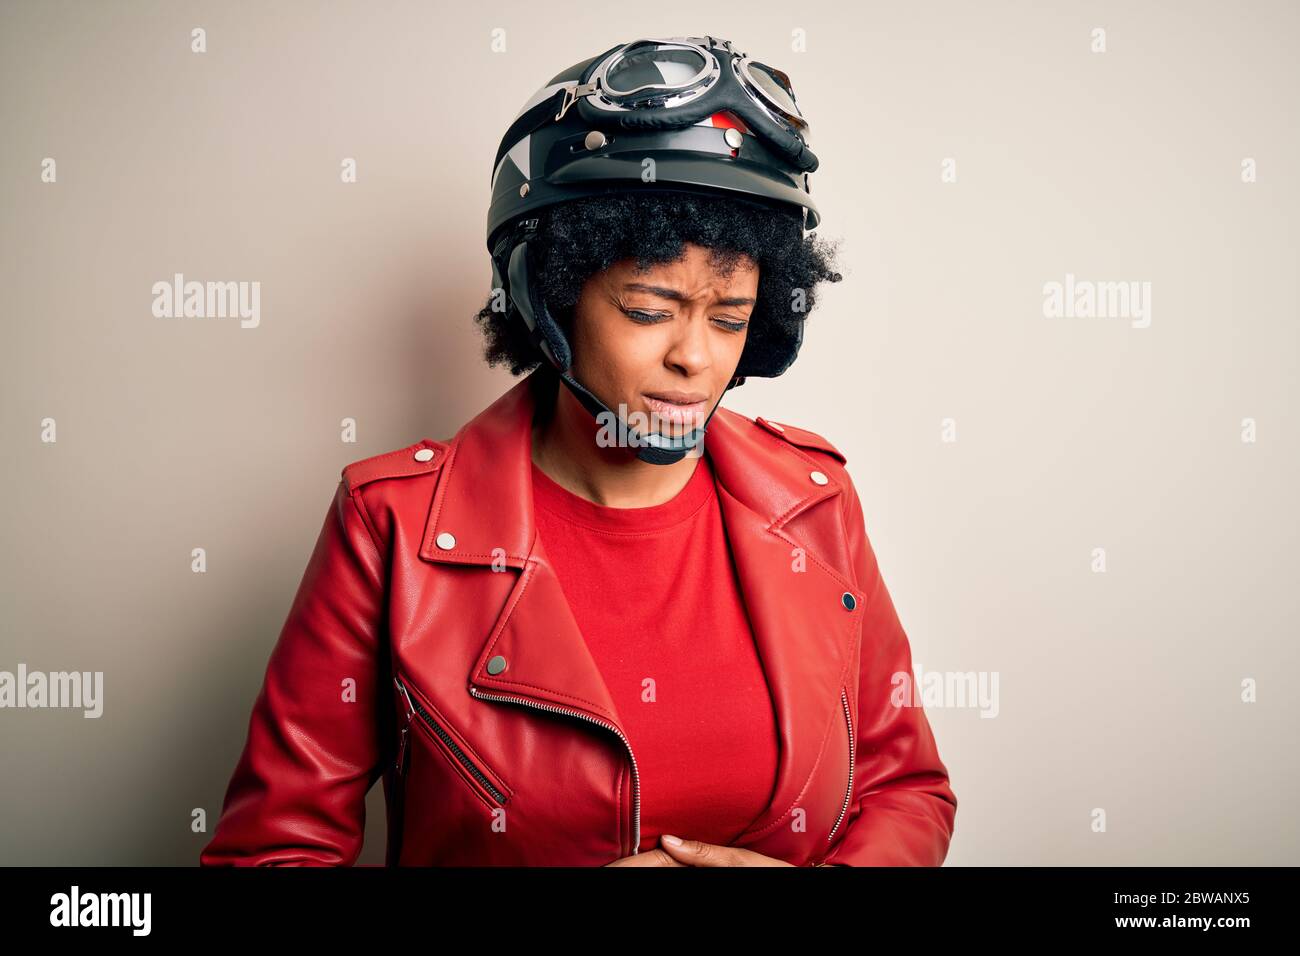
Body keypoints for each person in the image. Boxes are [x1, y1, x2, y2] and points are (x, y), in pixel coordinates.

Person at [200, 35, 957, 867]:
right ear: (547, 293)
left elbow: (903, 788)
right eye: (647, 309)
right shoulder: (389, 528)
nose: (695, 358)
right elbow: (270, 853)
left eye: (731, 317)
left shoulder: (815, 501)